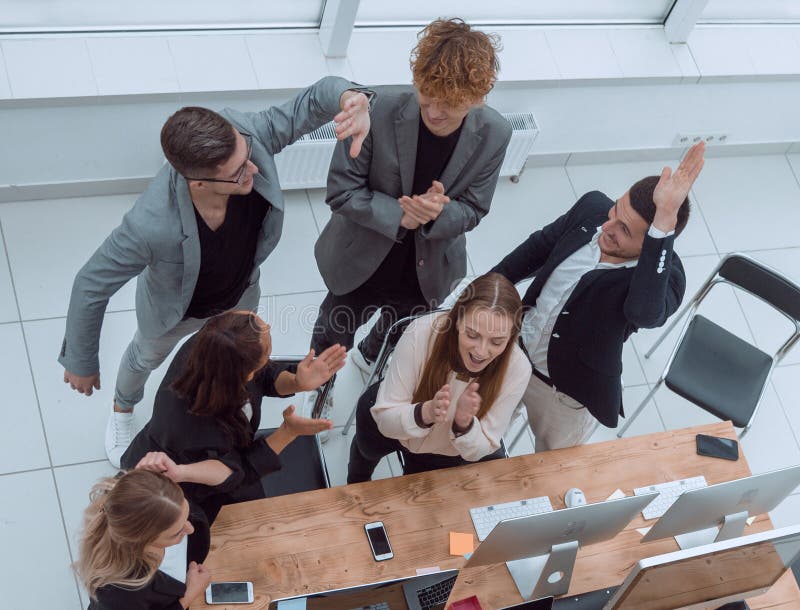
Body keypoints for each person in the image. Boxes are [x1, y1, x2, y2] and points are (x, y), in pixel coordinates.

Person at [59, 77, 373, 467]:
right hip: (176, 311)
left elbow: (310, 102)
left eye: (248, 157)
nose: (255, 169)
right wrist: (82, 362)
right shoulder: (150, 224)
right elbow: (91, 283)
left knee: (239, 360)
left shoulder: (249, 136)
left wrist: (351, 99)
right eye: (239, 171)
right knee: (143, 358)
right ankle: (123, 407)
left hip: (240, 294)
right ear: (199, 182)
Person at [311, 18, 512, 424]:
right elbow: (340, 191)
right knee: (332, 338)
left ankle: (371, 356)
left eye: (449, 105)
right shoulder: (379, 109)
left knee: (398, 335)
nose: (434, 112)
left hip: (427, 272)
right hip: (359, 261)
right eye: (427, 97)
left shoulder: (496, 133)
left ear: (478, 96)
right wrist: (400, 214)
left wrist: (439, 213)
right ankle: (320, 391)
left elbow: (474, 208)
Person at [492, 142, 706, 451]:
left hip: (566, 396)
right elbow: (536, 249)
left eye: (623, 230)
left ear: (649, 246)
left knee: (553, 470)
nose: (606, 227)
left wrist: (663, 225)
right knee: (478, 436)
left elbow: (644, 313)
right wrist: (479, 295)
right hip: (514, 353)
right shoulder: (592, 208)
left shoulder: (666, 277)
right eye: (615, 211)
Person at [121, 310, 344, 522]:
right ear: (245, 373)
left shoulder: (216, 349)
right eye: (265, 354)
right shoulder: (194, 429)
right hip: (187, 488)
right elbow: (239, 471)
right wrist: (288, 432)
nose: (266, 325)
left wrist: (297, 382)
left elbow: (264, 375)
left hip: (215, 461)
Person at [347, 273, 531, 483]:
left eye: (497, 342)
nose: (481, 351)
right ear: (457, 321)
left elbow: (481, 449)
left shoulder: (517, 369)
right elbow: (386, 419)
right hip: (391, 416)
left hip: (443, 450)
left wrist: (464, 424)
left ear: (512, 336)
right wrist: (424, 412)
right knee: (364, 457)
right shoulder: (421, 333)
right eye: (472, 335)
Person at [75, 469, 211, 610]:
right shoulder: (118, 595)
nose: (191, 529)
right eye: (176, 533)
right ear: (140, 541)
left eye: (187, 515)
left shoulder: (162, 502)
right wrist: (189, 595)